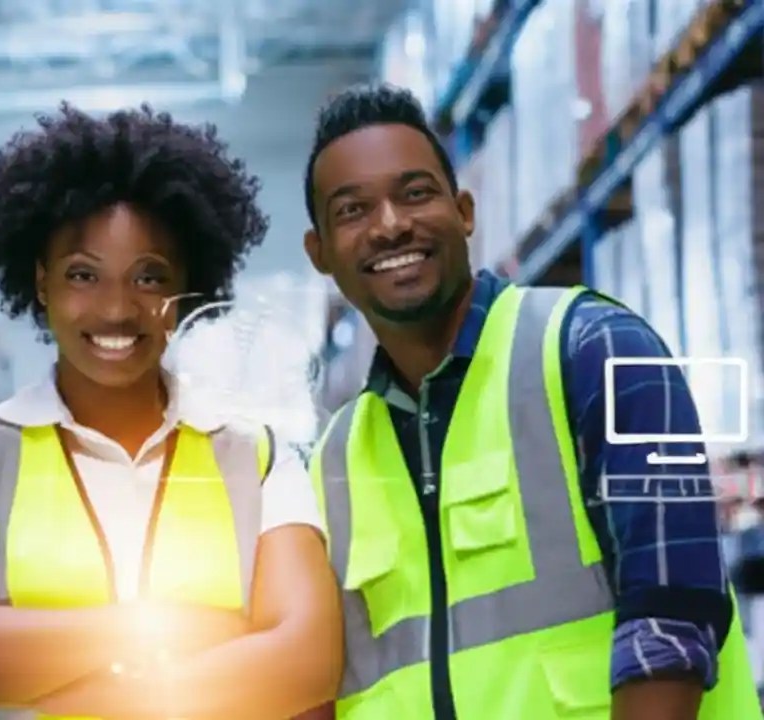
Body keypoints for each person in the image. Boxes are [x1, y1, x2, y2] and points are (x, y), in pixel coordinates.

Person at [300, 81, 761, 719]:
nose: (390, 225)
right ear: (319, 252)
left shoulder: (599, 352)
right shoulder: (330, 467)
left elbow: (672, 618)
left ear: (464, 211)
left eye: (415, 194)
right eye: (352, 210)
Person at [0, 103, 341, 719]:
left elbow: (308, 662)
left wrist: (100, 692)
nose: (116, 310)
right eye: (83, 275)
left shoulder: (256, 455)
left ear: (189, 286)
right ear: (40, 282)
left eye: (149, 277)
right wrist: (186, 630)